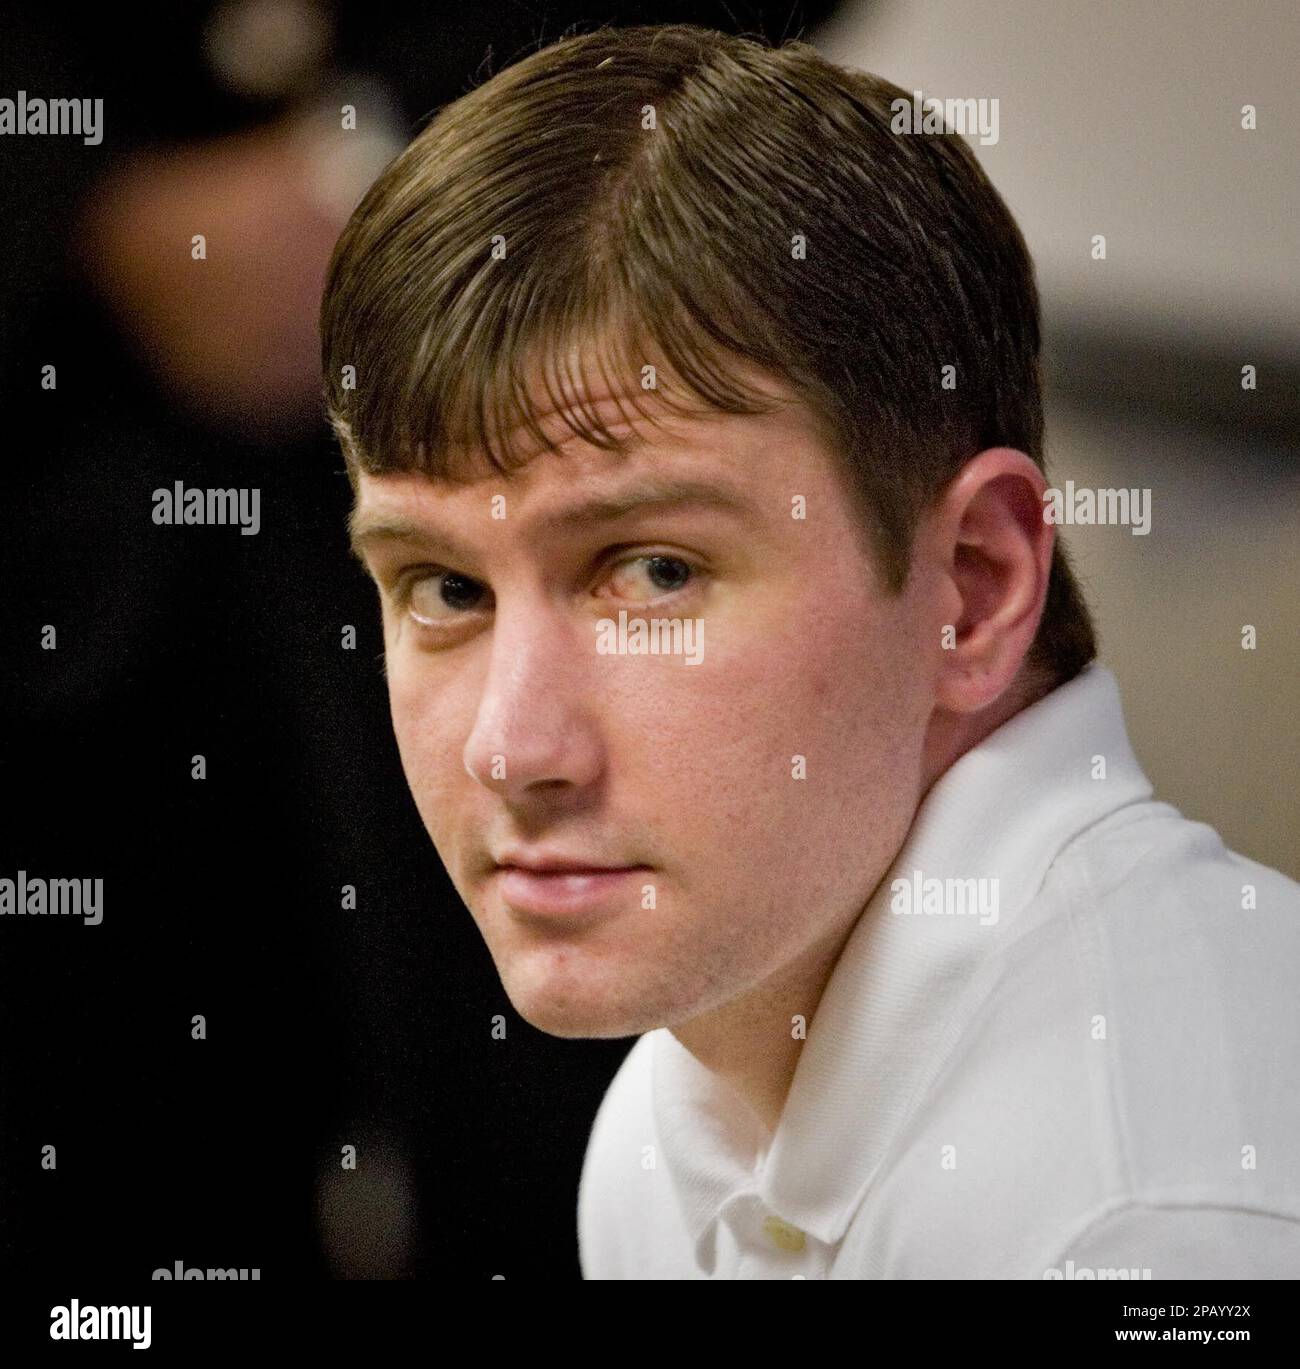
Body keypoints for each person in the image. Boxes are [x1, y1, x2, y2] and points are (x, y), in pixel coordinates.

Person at [318, 23, 1300, 1278]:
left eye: (656, 573)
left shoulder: (1148, 1225)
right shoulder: (682, 1107)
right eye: (444, 586)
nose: (514, 749)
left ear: (975, 589)